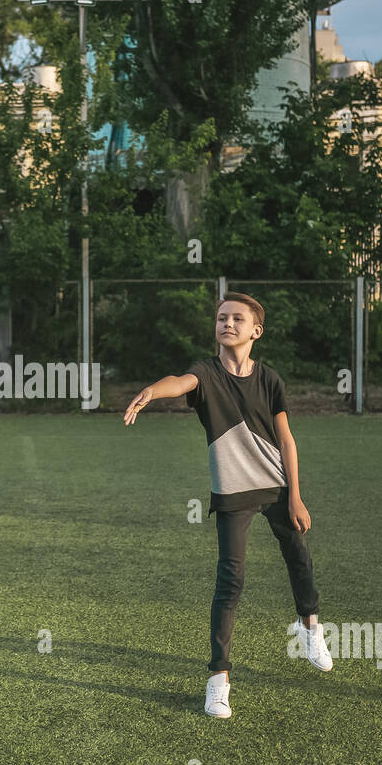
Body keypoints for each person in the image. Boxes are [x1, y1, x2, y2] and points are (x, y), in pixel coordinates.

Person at [123, 292, 332, 718]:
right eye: (221, 318)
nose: (228, 324)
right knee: (229, 582)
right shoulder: (206, 373)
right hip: (233, 492)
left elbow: (286, 440)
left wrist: (295, 493)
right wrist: (151, 392)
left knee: (299, 558)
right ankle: (218, 680)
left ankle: (310, 627)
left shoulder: (270, 380)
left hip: (275, 485)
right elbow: (180, 382)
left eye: (238, 318)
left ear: (256, 330)